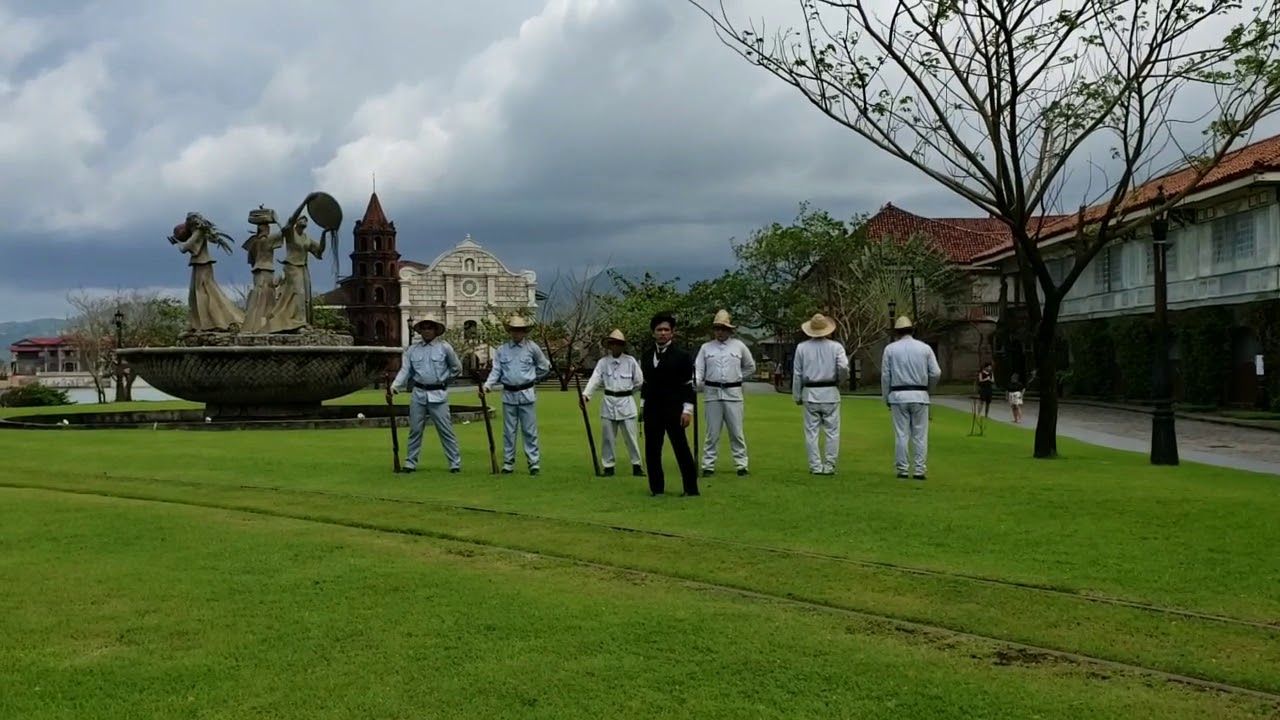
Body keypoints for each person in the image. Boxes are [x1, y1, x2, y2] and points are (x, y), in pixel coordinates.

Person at [390, 315, 463, 473]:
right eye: (424, 327)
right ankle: (410, 463)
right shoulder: (413, 350)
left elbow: (456, 368)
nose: (427, 331)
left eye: (430, 327)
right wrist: (395, 386)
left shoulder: (445, 347)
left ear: (435, 330)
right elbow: (405, 370)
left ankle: (454, 463)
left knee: (445, 430)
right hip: (419, 394)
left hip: (438, 393)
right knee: (415, 430)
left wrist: (445, 381)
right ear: (420, 330)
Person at [639, 312, 699, 496]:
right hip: (652, 409)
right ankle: (656, 488)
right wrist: (642, 406)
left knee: (681, 449)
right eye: (659, 330)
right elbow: (646, 384)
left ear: (672, 332)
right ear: (653, 333)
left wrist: (687, 410)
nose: (662, 333)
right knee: (652, 450)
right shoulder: (647, 356)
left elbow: (688, 386)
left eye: (666, 330)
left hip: (674, 409)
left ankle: (691, 489)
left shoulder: (683, 356)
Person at [482, 315, 551, 475]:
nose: (516, 333)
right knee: (509, 431)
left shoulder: (532, 348)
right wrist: (487, 386)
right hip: (509, 394)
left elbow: (544, 367)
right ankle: (508, 463)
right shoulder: (502, 350)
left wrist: (532, 377)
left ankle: (533, 463)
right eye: (514, 330)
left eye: (519, 330)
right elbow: (496, 371)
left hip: (526, 393)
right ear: (510, 331)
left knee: (529, 430)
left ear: (524, 332)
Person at [694, 309, 757, 476]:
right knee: (712, 432)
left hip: (733, 394)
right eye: (717, 328)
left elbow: (750, 367)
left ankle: (741, 465)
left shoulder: (739, 346)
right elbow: (699, 369)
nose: (720, 332)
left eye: (723, 328)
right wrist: (696, 382)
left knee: (736, 432)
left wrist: (737, 377)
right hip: (712, 393)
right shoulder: (706, 348)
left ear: (729, 330)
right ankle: (708, 465)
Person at [881, 316, 941, 480]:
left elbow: (886, 376)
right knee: (920, 435)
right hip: (920, 394)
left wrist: (886, 396)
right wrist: (929, 389)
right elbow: (936, 372)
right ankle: (920, 470)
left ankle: (902, 469)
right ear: (912, 330)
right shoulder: (925, 348)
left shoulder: (890, 349)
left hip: (898, 395)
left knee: (901, 434)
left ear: (897, 332)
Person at [581, 329, 645, 477]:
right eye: (612, 344)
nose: (615, 346)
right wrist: (586, 396)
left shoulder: (630, 362)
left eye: (618, 344)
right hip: (608, 403)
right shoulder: (603, 363)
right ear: (609, 346)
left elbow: (639, 381)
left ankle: (637, 465)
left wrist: (629, 392)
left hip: (626, 403)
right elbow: (595, 380)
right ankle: (608, 466)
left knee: (631, 437)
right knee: (608, 438)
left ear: (622, 346)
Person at [792, 313, 850, 475]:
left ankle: (815, 466)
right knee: (832, 432)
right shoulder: (836, 347)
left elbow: (797, 374)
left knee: (811, 432)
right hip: (830, 392)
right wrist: (839, 381)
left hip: (810, 393)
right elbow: (844, 368)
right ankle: (829, 465)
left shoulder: (802, 348)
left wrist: (797, 395)